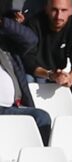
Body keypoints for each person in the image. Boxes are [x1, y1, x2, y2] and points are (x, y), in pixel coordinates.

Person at [23, 0, 72, 112]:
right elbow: (28, 63)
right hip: (37, 74)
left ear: (70, 10)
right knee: (27, 80)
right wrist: (50, 75)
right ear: (46, 9)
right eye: (54, 10)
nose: (59, 16)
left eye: (63, 10)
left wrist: (69, 78)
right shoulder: (33, 24)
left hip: (59, 75)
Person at [0, 1, 51, 143]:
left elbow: (30, 40)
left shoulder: (5, 43)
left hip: (11, 107)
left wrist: (5, 22)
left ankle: (41, 160)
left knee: (41, 117)